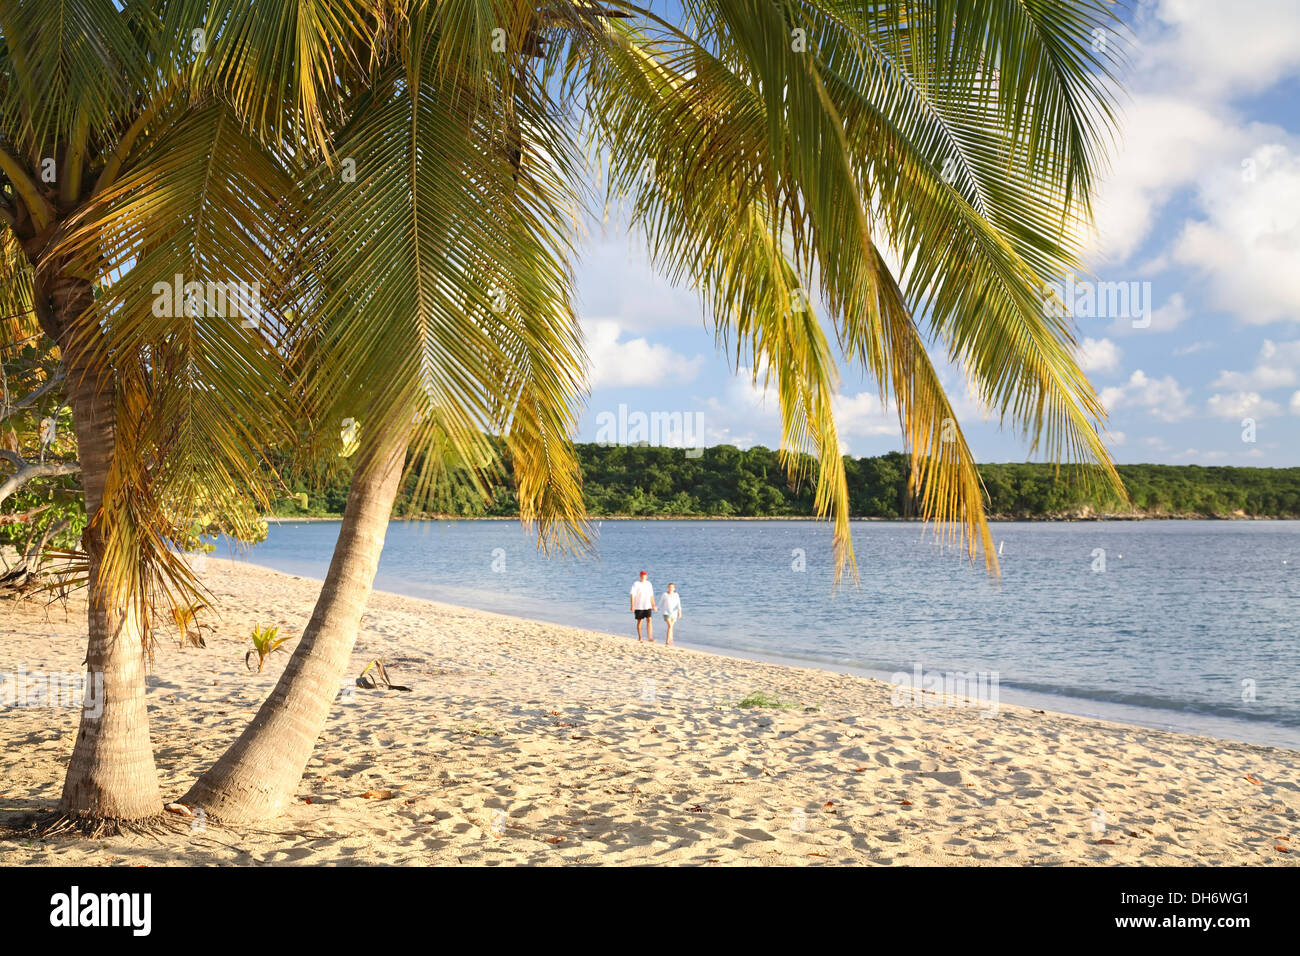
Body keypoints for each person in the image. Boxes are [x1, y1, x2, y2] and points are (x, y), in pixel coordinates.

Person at [629, 570, 657, 643]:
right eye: (642, 575)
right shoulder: (636, 584)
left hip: (647, 605)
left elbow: (651, 595)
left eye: (645, 575)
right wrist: (632, 605)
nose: (644, 576)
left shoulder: (649, 584)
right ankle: (640, 637)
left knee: (649, 620)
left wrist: (653, 605)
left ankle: (650, 637)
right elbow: (632, 595)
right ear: (640, 576)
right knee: (640, 621)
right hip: (639, 606)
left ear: (646, 576)